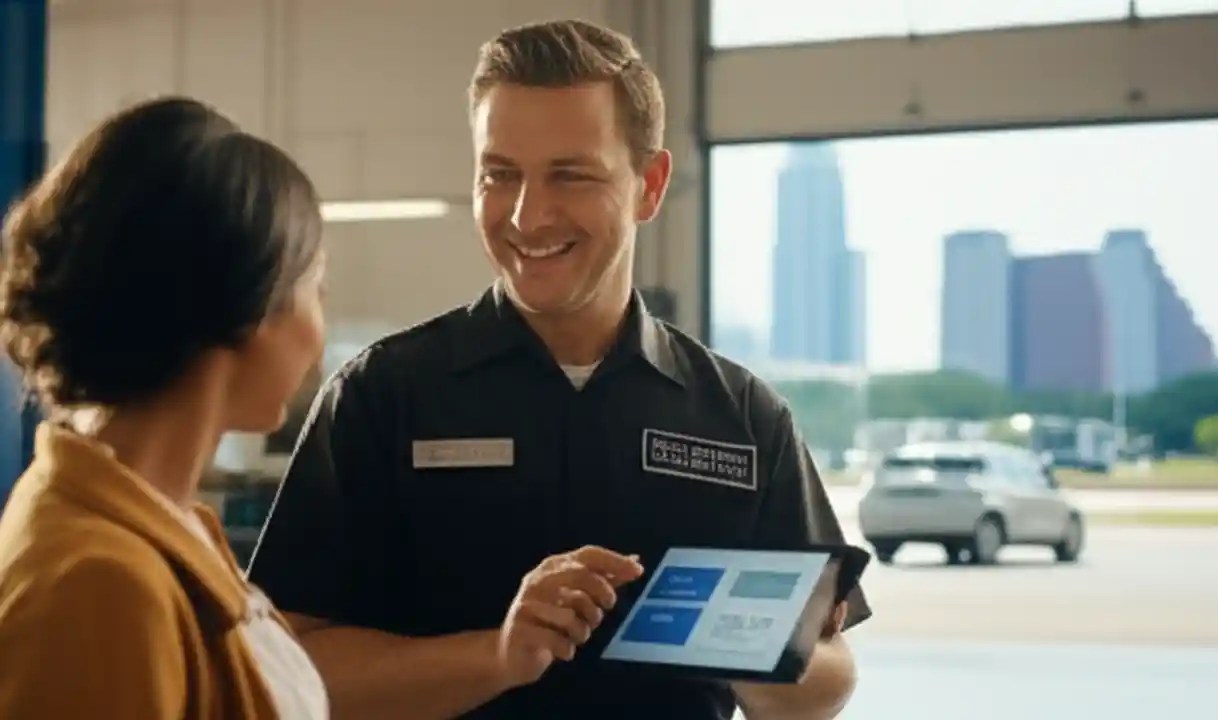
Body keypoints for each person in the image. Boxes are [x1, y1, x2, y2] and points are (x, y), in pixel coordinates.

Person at [249, 18, 870, 720]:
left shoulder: (743, 419)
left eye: (570, 176)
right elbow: (284, 669)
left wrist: (745, 650)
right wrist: (497, 656)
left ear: (649, 186)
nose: (528, 215)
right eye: (500, 175)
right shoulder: (382, 398)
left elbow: (832, 672)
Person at [0, 97, 330, 719]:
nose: (320, 331)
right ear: (248, 305)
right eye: (316, 287)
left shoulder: (160, 522)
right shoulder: (100, 586)